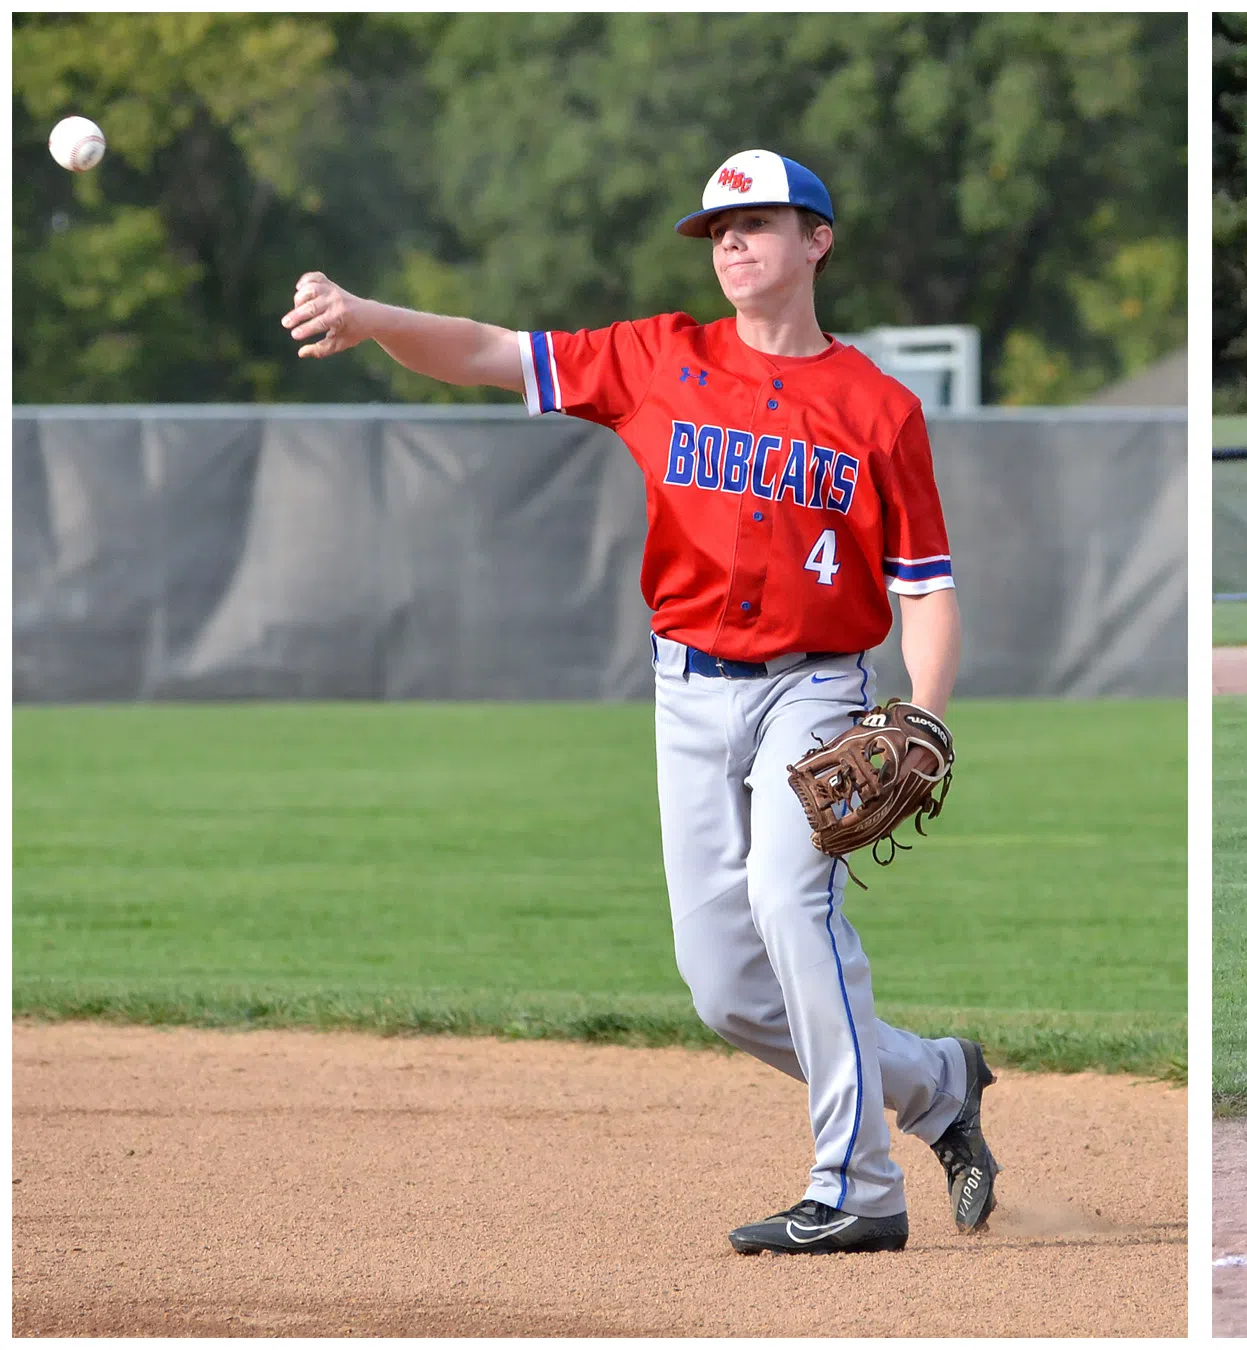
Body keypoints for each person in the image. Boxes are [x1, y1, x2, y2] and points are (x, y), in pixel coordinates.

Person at [281, 149, 1002, 1249]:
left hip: (815, 690)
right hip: (686, 693)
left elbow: (927, 590)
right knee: (727, 990)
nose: (733, 243)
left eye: (759, 222)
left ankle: (856, 1188)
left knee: (790, 905)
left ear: (819, 240)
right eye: (718, 230)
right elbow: (485, 351)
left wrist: (924, 708)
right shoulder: (658, 357)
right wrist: (373, 315)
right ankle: (937, 1085)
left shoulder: (880, 409)